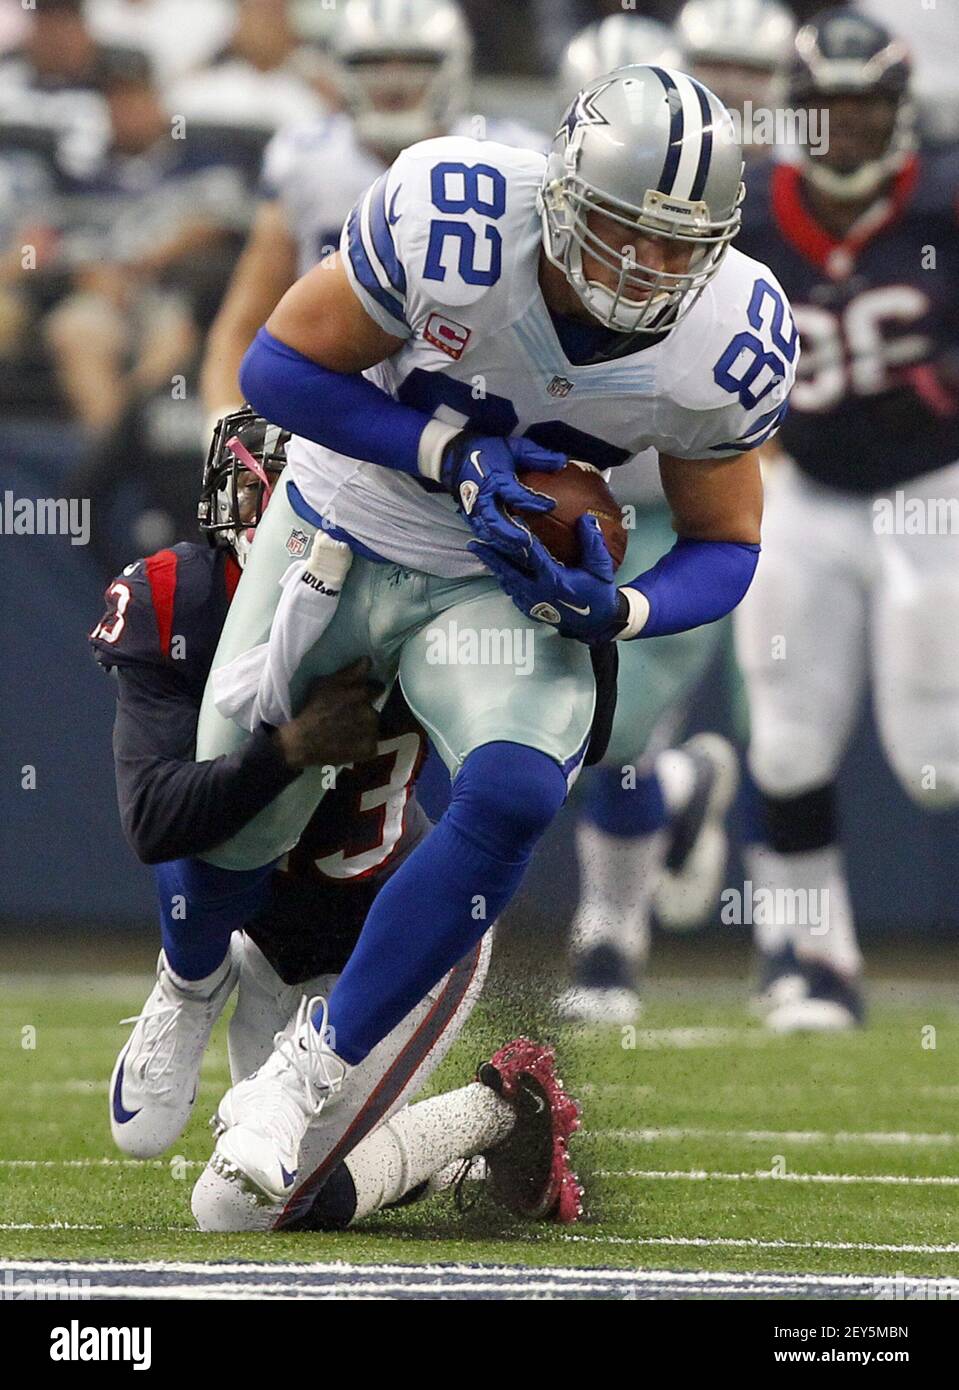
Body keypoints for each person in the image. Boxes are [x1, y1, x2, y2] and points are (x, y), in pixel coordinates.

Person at [189, 63, 794, 1217]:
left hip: (492, 593)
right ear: (564, 194)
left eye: (680, 245)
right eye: (624, 230)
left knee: (250, 1207)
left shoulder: (725, 338)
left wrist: (619, 610)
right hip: (360, 531)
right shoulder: (457, 217)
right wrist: (449, 455)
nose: (646, 268)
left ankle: (344, 1077)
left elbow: (724, 539)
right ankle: (472, 1114)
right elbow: (276, 368)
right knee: (226, 787)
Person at [90, 408, 582, 1230]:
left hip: (384, 934)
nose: (287, 510)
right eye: (273, 489)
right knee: (196, 802)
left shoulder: (432, 604)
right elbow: (155, 819)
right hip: (253, 929)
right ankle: (190, 976)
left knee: (241, 1211)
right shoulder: (181, 595)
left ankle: (495, 1113)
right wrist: (281, 750)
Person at [733, 7, 959, 1030]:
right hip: (805, 485)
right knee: (782, 737)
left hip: (930, 490)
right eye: (828, 109)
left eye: (866, 109)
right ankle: (810, 962)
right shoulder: (751, 216)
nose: (848, 129)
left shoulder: (942, 203)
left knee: (934, 760)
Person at [553, 11, 741, 1026]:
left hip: (658, 514)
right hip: (538, 499)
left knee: (608, 731)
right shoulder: (509, 216)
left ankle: (606, 943)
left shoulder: (706, 260)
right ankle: (683, 788)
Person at [200, 0, 545, 427]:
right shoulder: (307, 160)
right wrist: (222, 422)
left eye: (415, 63)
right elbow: (244, 323)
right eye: (373, 63)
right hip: (337, 407)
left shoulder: (516, 159)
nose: (393, 83)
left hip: (480, 407)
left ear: (453, 67)